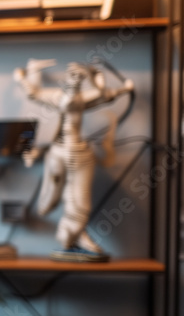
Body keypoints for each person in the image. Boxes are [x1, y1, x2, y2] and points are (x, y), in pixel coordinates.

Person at [14, 59, 134, 262]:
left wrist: (121, 88)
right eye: (72, 76)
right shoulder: (56, 97)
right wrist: (23, 77)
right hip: (59, 153)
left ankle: (74, 236)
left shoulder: (83, 99)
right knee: (55, 196)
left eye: (79, 76)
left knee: (79, 201)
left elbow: (106, 95)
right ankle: (73, 237)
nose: (75, 79)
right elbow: (33, 93)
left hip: (80, 153)